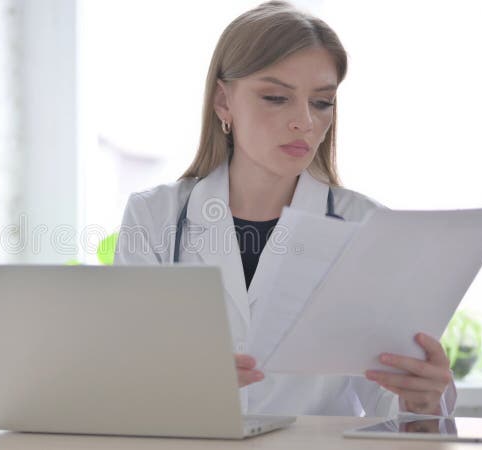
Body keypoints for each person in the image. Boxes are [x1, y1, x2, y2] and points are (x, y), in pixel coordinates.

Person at [113, 0, 455, 417]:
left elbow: (390, 403)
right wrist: (182, 380)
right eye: (276, 97)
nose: (304, 122)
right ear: (224, 102)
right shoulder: (154, 217)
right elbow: (125, 379)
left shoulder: (367, 226)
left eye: (322, 102)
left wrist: (421, 400)